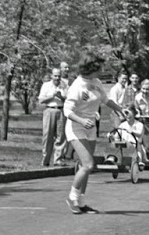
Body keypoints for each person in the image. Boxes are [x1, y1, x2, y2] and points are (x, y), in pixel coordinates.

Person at [62, 55, 119, 214]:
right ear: (90, 69)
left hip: (91, 128)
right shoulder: (77, 86)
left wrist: (121, 109)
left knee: (84, 167)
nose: (102, 70)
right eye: (99, 67)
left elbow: (106, 100)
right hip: (76, 127)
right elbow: (67, 111)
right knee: (88, 164)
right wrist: (81, 120)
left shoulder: (96, 83)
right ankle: (72, 197)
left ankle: (81, 201)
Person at [37, 66, 65, 166]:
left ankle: (58, 159)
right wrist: (52, 96)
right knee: (47, 136)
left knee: (60, 136)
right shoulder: (46, 85)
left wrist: (61, 96)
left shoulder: (64, 85)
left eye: (59, 76)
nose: (57, 78)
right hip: (49, 110)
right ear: (51, 76)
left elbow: (69, 100)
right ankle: (45, 160)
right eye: (55, 76)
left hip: (61, 110)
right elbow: (41, 100)